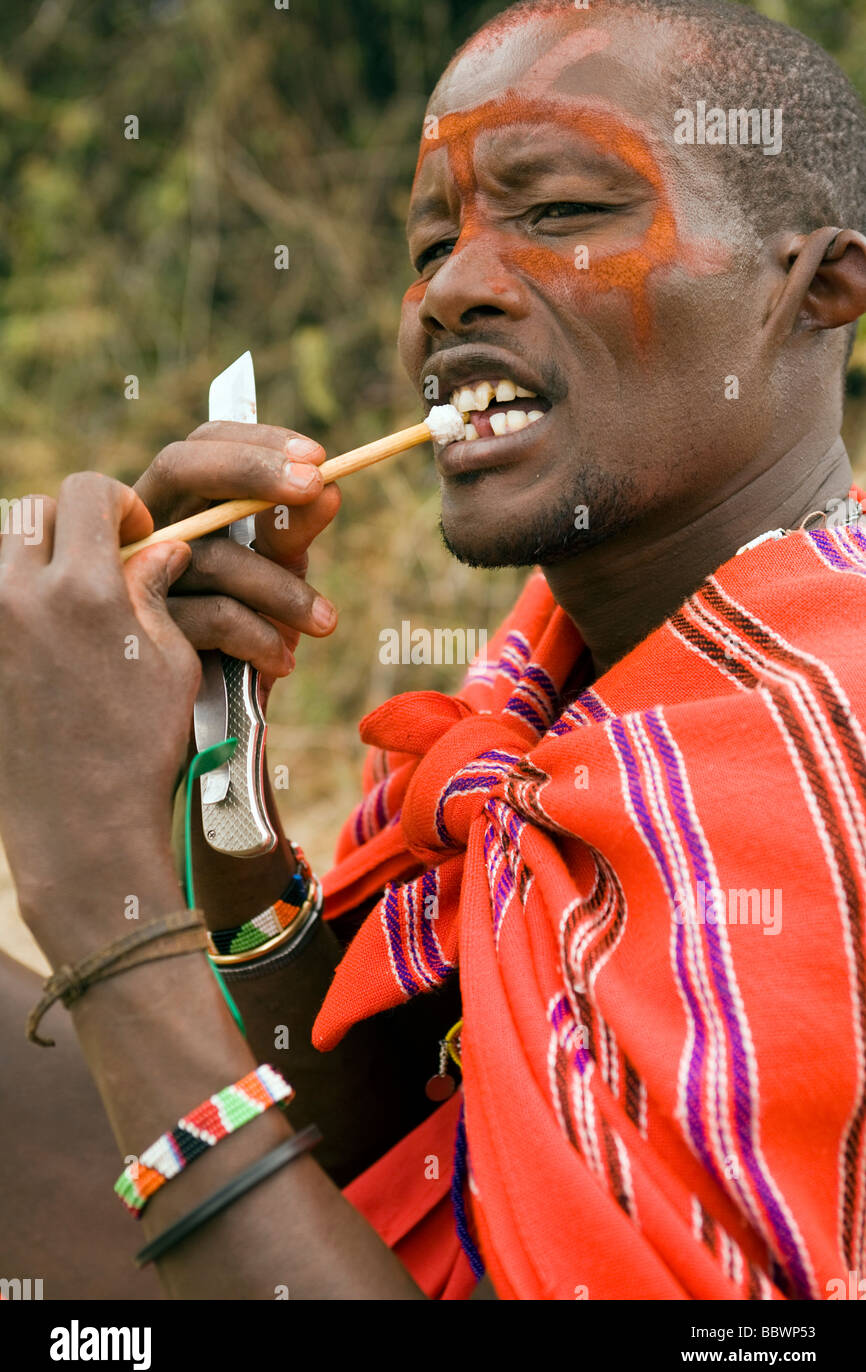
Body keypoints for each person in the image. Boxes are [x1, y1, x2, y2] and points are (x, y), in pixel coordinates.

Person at [2, 0, 866, 1300]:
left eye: (562, 212)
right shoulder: (568, 679)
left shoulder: (822, 743)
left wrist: (96, 886)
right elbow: (361, 1111)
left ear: (820, 287)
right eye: (430, 240)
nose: (446, 290)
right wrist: (206, 755)